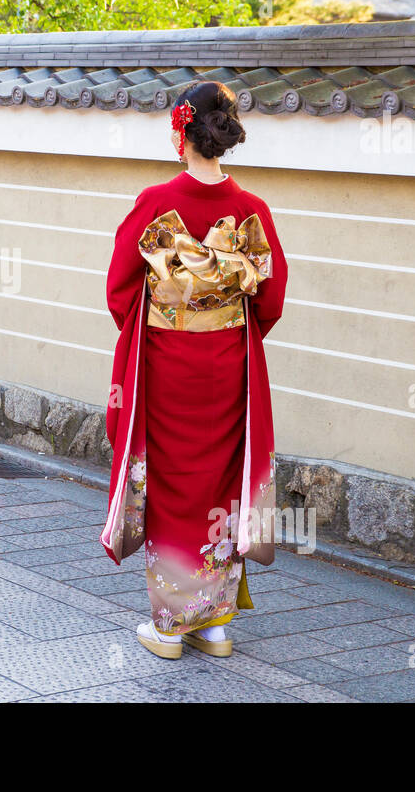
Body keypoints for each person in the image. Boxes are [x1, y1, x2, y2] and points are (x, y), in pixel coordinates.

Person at [100, 80, 288, 660]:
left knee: (172, 484)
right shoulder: (252, 210)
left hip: (167, 364)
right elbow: (272, 298)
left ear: (181, 132)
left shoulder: (157, 202)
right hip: (229, 366)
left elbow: (120, 289)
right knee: (220, 483)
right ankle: (215, 626)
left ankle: (170, 627)